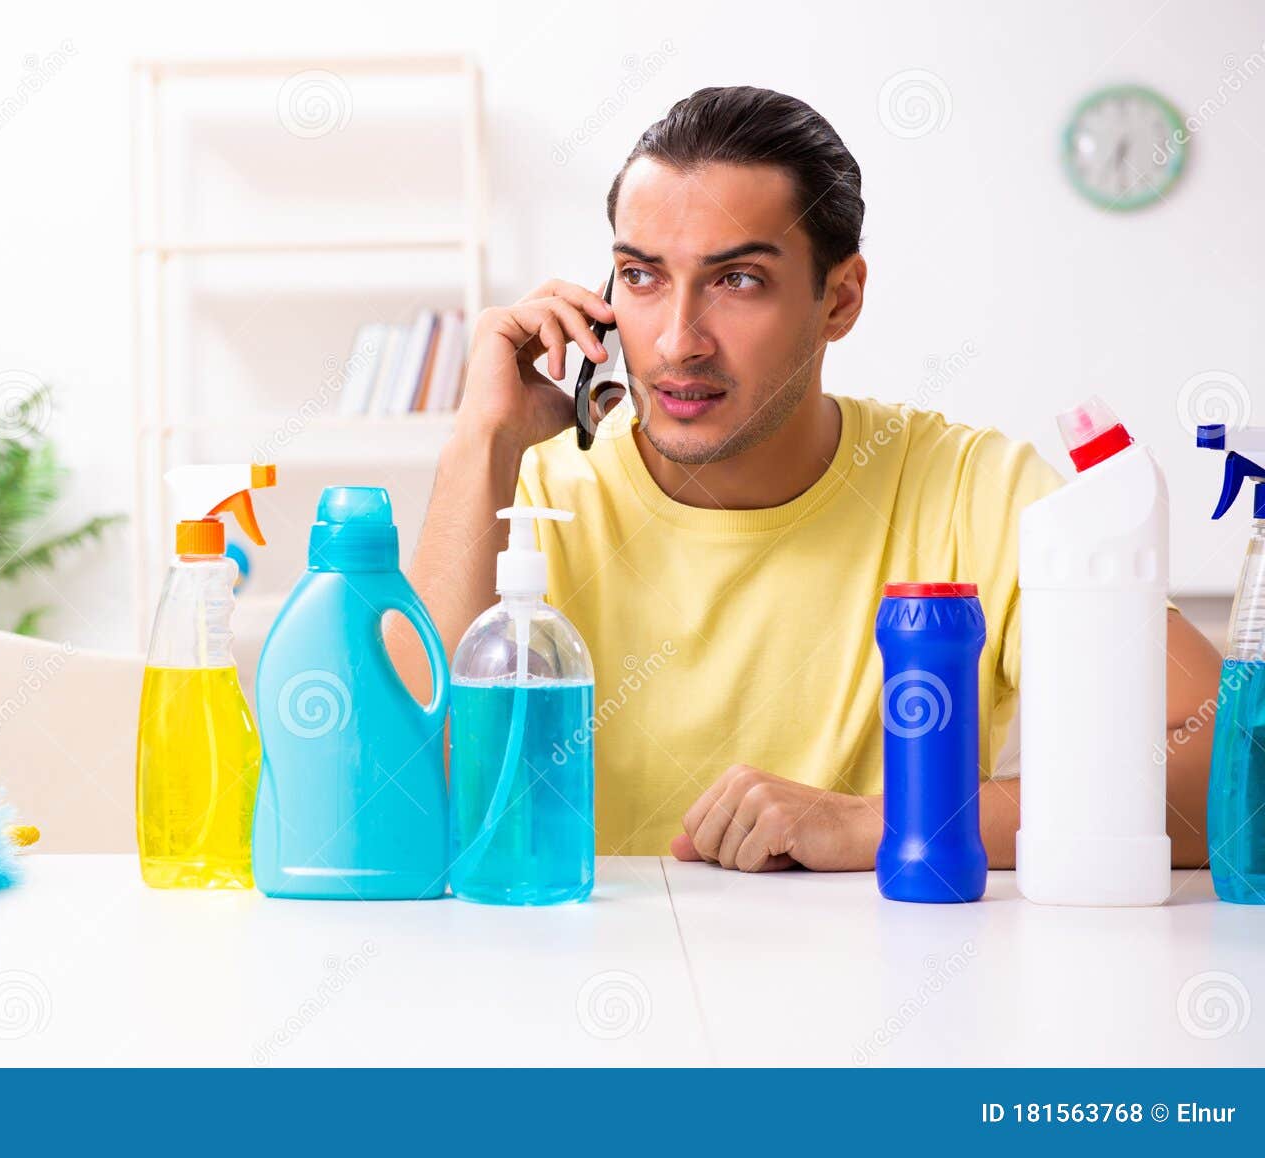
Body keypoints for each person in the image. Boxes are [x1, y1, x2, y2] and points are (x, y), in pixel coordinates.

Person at [392, 85, 1220, 872]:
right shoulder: (533, 490)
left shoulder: (978, 491)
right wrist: (482, 439)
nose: (679, 341)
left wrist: (883, 821)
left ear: (840, 299)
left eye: (737, 280)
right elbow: (388, 804)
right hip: (572, 975)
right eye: (642, 277)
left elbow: (1235, 768)